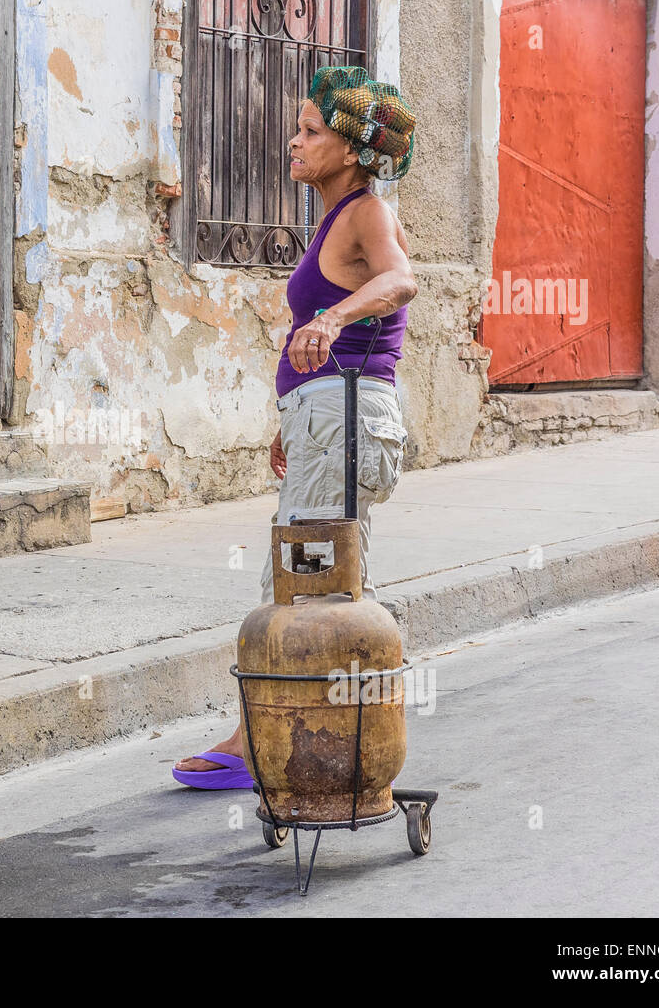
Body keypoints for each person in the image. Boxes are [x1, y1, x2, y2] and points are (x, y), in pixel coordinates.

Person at [173, 66, 418, 787]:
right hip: (327, 416)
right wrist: (295, 417)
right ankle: (302, 734)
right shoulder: (333, 219)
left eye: (311, 130)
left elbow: (402, 280)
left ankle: (269, 743)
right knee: (312, 579)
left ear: (348, 148)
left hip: (346, 413)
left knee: (306, 582)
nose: (295, 140)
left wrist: (335, 316)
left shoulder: (367, 213)